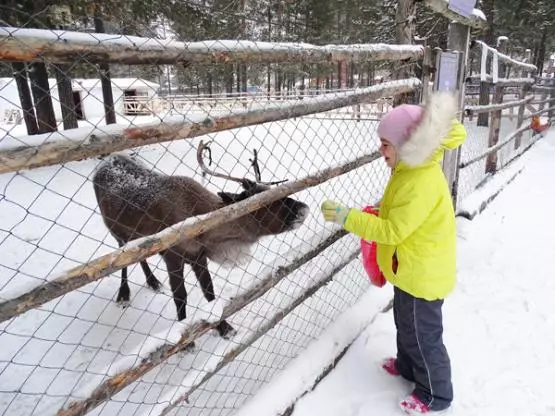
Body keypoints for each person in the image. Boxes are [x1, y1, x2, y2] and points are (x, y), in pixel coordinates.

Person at [320, 91, 467, 415]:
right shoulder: (409, 172)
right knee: (406, 323)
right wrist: (380, 209)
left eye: (386, 143)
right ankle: (408, 367)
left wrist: (349, 218)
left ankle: (435, 395)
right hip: (410, 269)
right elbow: (400, 215)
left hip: (421, 275)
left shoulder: (419, 181)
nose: (380, 149)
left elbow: (392, 231)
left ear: (407, 145)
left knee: (424, 336)